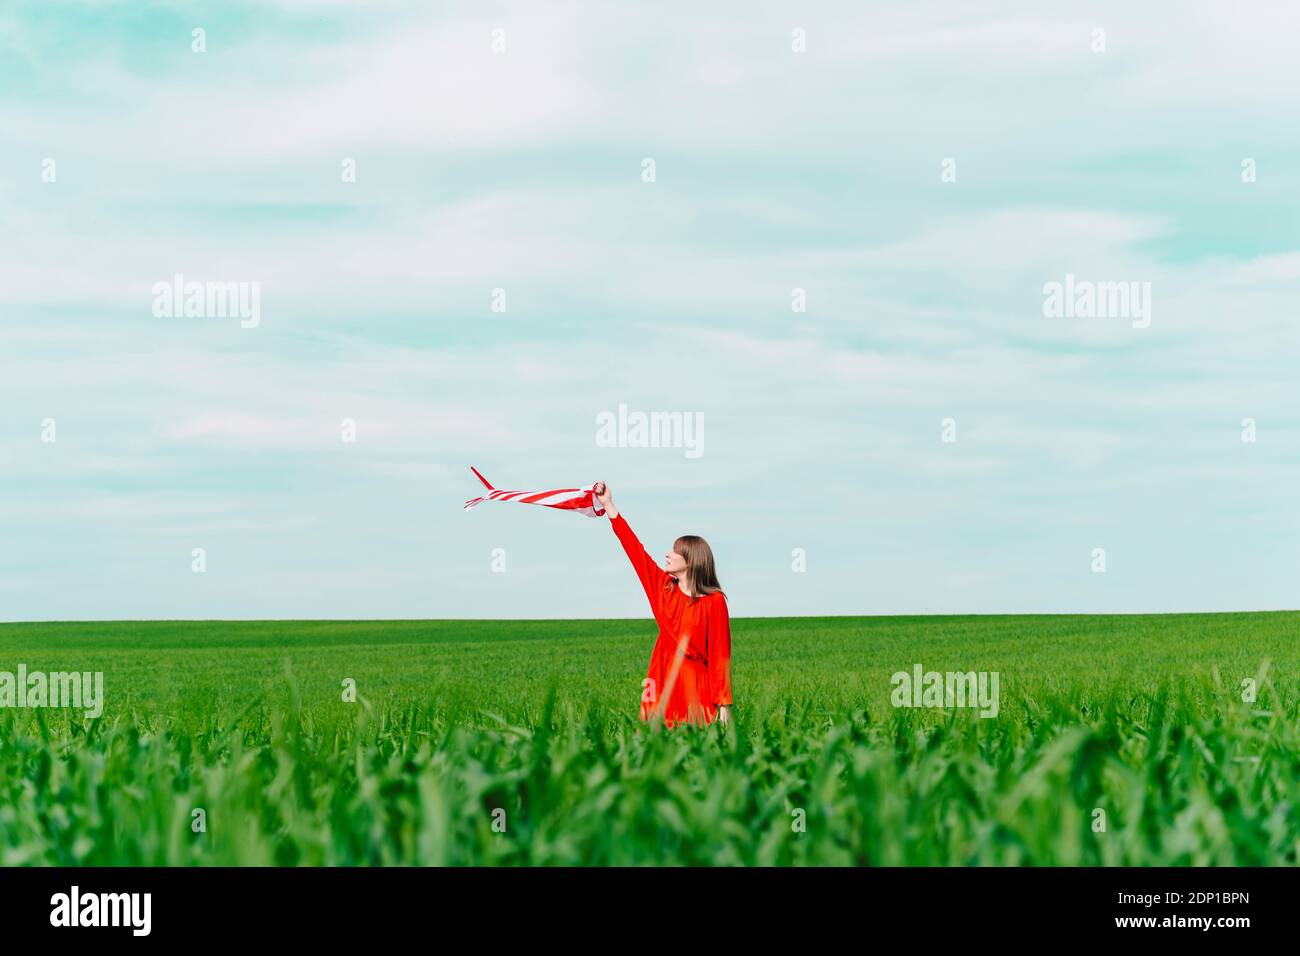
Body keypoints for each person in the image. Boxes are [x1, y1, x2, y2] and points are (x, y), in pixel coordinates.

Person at [593, 481, 732, 729]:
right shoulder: (662, 588)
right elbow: (635, 550)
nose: (668, 554)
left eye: (675, 551)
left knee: (697, 751)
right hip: (660, 681)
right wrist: (609, 505)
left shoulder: (715, 602)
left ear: (691, 561)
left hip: (696, 689)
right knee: (655, 749)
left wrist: (724, 706)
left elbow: (720, 656)